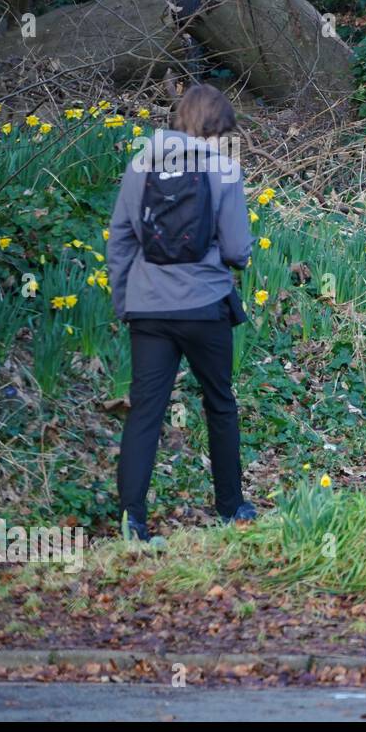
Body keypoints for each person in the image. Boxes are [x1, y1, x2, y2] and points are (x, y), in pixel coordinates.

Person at [106, 84, 256, 541]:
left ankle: (132, 520)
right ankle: (230, 508)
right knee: (220, 404)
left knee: (145, 412)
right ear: (216, 128)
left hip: (149, 309)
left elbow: (121, 239)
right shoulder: (224, 169)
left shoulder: (139, 164)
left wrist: (124, 301)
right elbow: (236, 250)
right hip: (205, 306)